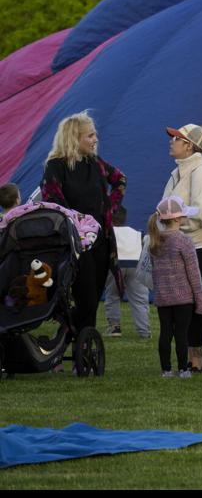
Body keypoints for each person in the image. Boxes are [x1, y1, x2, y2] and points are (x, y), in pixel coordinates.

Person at [41, 112, 127, 341]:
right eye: (90, 135)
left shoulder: (95, 164)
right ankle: (67, 341)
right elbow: (53, 200)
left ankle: (81, 348)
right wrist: (76, 223)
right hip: (74, 244)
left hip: (101, 242)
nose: (95, 139)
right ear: (74, 137)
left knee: (94, 297)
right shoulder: (55, 166)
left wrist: (110, 204)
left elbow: (120, 180)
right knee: (85, 298)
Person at [159, 123, 202, 371]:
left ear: (189, 145)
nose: (171, 141)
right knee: (190, 309)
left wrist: (174, 226)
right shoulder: (177, 173)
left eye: (176, 138)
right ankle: (195, 362)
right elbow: (163, 209)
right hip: (187, 249)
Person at [147, 197, 202, 378]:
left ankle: (166, 370)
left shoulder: (154, 241)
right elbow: (194, 274)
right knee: (181, 333)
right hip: (183, 297)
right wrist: (200, 301)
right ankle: (183, 369)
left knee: (165, 333)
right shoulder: (184, 241)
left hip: (163, 297)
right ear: (178, 218)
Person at [104, 206, 150, 340]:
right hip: (135, 264)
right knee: (140, 299)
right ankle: (144, 331)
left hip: (115, 266)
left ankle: (114, 327)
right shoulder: (136, 233)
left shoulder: (108, 233)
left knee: (112, 295)